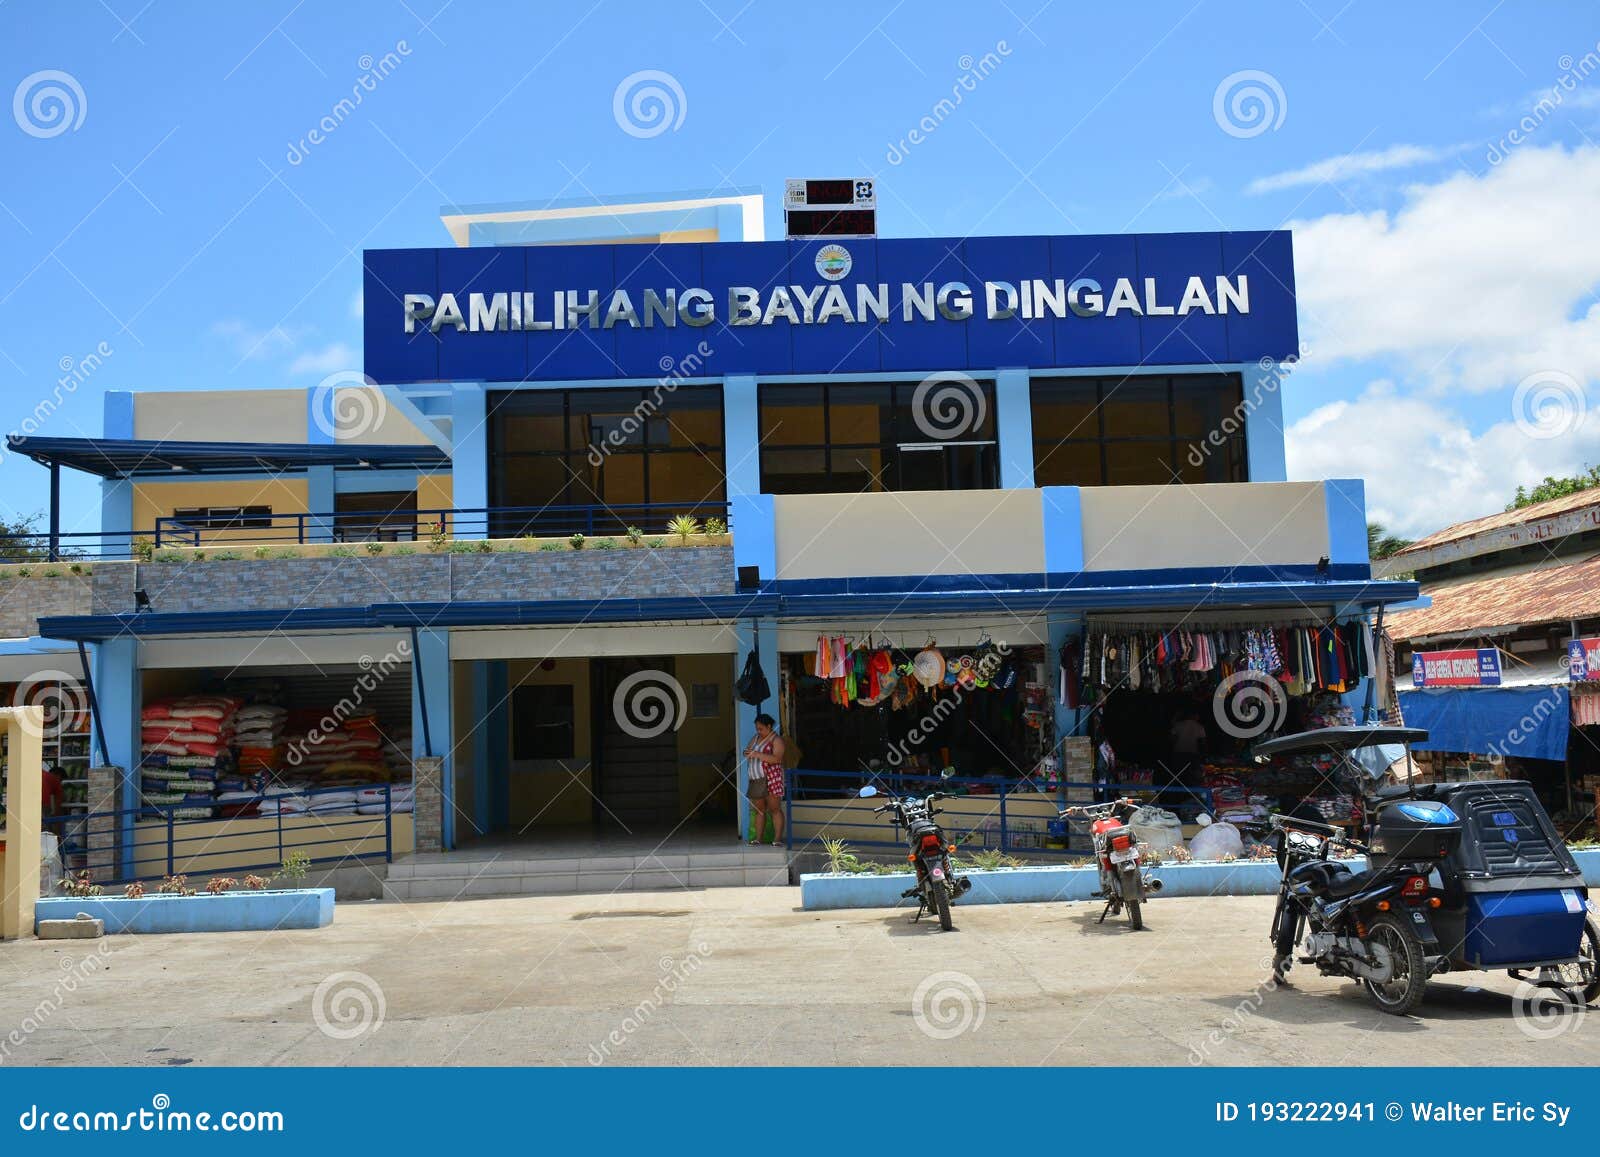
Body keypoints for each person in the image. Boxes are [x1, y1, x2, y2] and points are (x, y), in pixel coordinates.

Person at [743, 713, 786, 846]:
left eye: (761, 728)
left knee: (775, 809)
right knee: (759, 810)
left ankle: (777, 838)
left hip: (771, 779)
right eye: (757, 728)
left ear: (769, 726)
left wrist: (757, 754)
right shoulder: (756, 738)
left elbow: (777, 759)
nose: (758, 731)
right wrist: (747, 753)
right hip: (756, 779)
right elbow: (748, 750)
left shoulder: (776, 740)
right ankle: (758, 838)